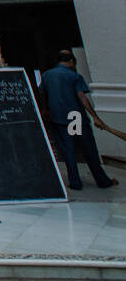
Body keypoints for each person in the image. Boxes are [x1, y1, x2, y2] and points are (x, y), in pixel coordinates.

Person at [40, 50, 119, 191]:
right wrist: (95, 117)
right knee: (88, 149)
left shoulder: (47, 75)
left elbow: (43, 94)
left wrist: (45, 109)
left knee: (68, 151)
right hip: (75, 117)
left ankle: (75, 182)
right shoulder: (73, 76)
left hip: (58, 118)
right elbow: (82, 97)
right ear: (71, 61)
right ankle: (102, 180)